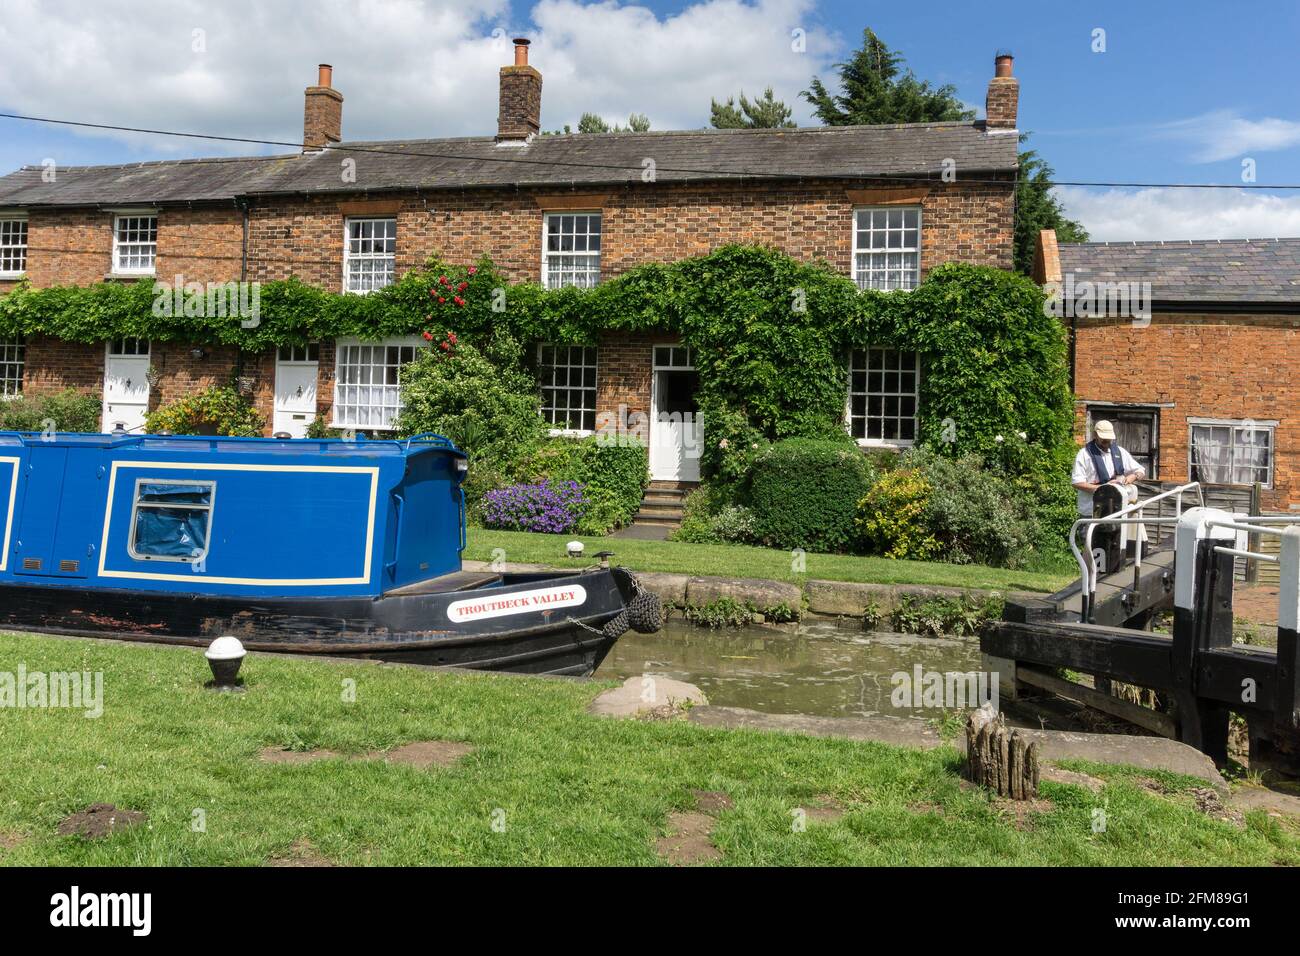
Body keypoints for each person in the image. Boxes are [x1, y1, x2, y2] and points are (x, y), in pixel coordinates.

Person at [1071, 420, 1146, 517]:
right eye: (1103, 438)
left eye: (1108, 438)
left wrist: (1134, 476)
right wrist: (1105, 489)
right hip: (1092, 513)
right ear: (1095, 435)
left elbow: (1141, 470)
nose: (1106, 441)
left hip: (1118, 512)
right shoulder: (1084, 454)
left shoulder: (1120, 452)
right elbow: (1077, 482)